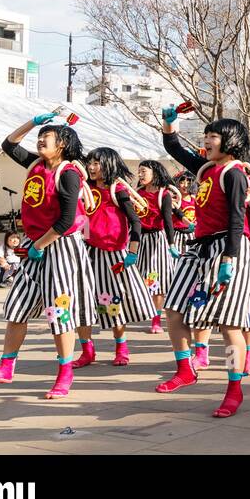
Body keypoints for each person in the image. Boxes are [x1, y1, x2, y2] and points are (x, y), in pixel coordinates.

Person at [156, 107, 250, 417]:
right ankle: (185, 369)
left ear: (230, 141)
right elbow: (173, 147)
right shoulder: (207, 168)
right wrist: (170, 123)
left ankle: (234, 389)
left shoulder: (234, 172)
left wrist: (230, 259)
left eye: (213, 137)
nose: (207, 142)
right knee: (173, 309)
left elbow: (237, 219)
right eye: (206, 136)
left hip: (228, 248)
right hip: (199, 248)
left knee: (229, 324)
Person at [0, 112, 97, 398]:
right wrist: (34, 121)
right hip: (36, 245)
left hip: (60, 247)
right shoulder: (35, 163)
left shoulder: (69, 173)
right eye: (39, 136)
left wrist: (39, 245)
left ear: (63, 143)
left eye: (46, 137)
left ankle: (65, 373)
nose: (39, 140)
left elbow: (67, 220)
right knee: (17, 307)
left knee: (59, 313)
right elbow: (9, 144)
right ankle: (6, 367)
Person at [74, 147, 158, 367]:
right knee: (81, 302)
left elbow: (136, 221)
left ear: (109, 164)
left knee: (114, 302)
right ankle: (86, 351)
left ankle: (121, 347)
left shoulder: (117, 189)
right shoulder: (85, 188)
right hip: (88, 251)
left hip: (115, 254)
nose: (91, 168)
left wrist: (132, 251)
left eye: (96, 163)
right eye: (89, 163)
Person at [134, 160, 180, 335]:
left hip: (157, 240)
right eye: (139, 171)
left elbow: (168, 221)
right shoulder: (136, 193)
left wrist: (171, 244)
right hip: (139, 239)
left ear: (155, 173)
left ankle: (156, 319)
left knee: (156, 281)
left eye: (144, 171)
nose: (140, 175)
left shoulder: (164, 194)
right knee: (138, 279)